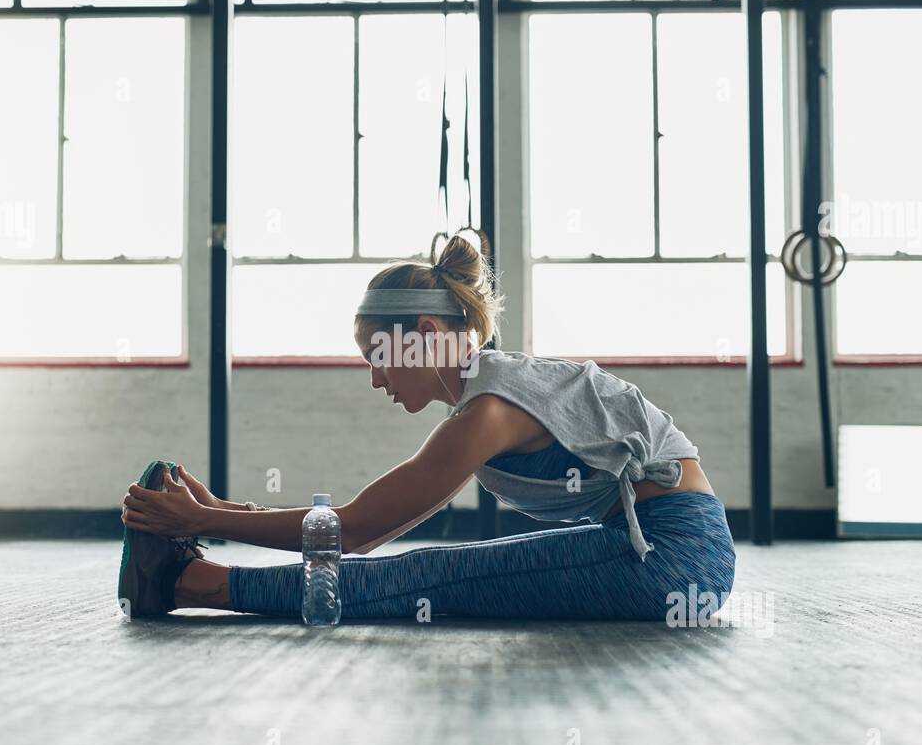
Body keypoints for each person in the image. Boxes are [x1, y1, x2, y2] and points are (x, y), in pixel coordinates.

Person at [118, 231, 736, 623]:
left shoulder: (489, 413)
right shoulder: (491, 392)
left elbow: (356, 532)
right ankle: (198, 580)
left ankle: (192, 585)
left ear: (427, 337)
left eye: (378, 357)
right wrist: (225, 511)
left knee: (430, 576)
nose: (376, 379)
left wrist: (206, 521)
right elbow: (361, 527)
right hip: (668, 547)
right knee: (432, 567)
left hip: (675, 561)